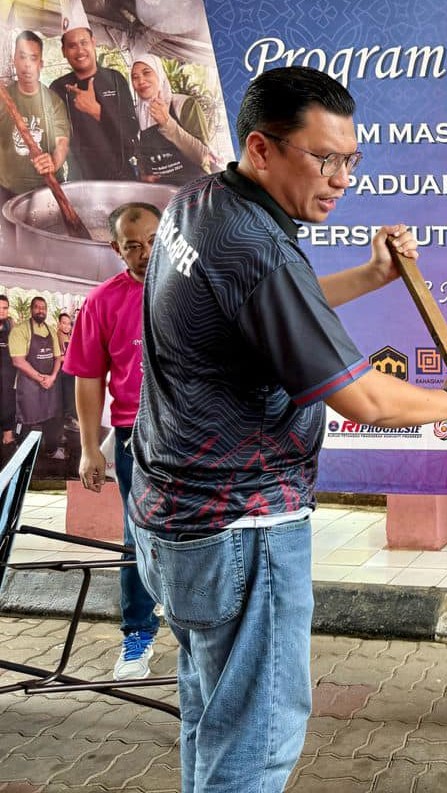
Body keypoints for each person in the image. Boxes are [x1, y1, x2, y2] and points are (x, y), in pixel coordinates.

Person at [127, 66, 447, 792]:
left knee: (211, 718)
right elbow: (365, 400)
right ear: (262, 149)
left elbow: (266, 306)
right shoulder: (257, 246)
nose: (342, 178)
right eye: (324, 158)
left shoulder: (200, 202)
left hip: (172, 519)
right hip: (242, 527)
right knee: (254, 747)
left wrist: (367, 275)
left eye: (350, 159)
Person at [62, 202, 162, 681]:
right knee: (138, 537)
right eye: (133, 247)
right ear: (116, 249)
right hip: (133, 439)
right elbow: (87, 379)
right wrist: (88, 447)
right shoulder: (102, 301)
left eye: (152, 241)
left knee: (206, 537)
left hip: (198, 438)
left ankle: (201, 637)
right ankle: (138, 635)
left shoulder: (200, 291)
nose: (145, 254)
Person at [50, 20, 139, 181]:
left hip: (121, 178)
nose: (80, 50)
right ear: (63, 51)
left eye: (84, 42)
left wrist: (96, 111)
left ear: (93, 43)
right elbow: (54, 139)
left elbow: (131, 134)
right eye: (72, 45)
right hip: (81, 182)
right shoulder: (58, 88)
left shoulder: (115, 79)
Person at [0, 30, 71, 204]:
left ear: (41, 64)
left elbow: (62, 142)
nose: (27, 65)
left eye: (33, 58)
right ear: (14, 61)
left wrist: (53, 162)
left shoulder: (54, 102)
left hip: (48, 189)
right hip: (8, 191)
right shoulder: (3, 98)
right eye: (22, 57)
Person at [130, 54, 216, 185]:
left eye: (146, 73)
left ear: (159, 74)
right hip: (162, 193)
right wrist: (143, 175)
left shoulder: (184, 104)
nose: (141, 80)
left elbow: (202, 156)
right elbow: (140, 155)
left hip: (196, 189)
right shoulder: (136, 114)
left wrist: (167, 123)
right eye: (135, 77)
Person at [9, 296, 64, 460]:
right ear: (31, 309)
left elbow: (58, 357)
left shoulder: (51, 331)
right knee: (26, 419)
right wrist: (41, 379)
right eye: (37, 307)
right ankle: (22, 454)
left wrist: (53, 377)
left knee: (51, 417)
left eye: (43, 307)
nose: (41, 310)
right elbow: (18, 360)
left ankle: (51, 450)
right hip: (28, 385)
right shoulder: (20, 330)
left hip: (49, 382)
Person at [0, 296, 16, 459]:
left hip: (8, 377)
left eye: (5, 308)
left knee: (8, 405)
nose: (2, 311)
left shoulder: (10, 327)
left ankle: (8, 437)